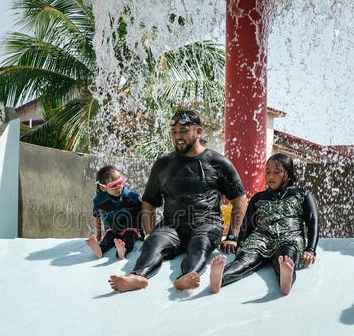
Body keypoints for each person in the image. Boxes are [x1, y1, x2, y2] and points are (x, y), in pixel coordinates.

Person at [109, 109, 247, 292]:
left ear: (198, 132)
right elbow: (149, 202)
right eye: (174, 132)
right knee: (154, 243)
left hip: (206, 224)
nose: (178, 137)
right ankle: (137, 276)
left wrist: (232, 236)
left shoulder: (218, 163)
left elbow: (240, 200)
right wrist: (150, 233)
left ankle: (187, 277)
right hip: (172, 225)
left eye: (183, 131)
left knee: (201, 243)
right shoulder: (163, 164)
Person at [209, 152, 319, 297]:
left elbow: (313, 221)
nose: (270, 176)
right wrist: (240, 244)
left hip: (289, 238)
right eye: (267, 172)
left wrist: (310, 249)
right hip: (261, 238)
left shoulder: (302, 194)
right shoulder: (258, 197)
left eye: (277, 172)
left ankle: (286, 279)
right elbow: (246, 225)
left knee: (286, 257)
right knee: (245, 260)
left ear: (288, 174)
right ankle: (220, 277)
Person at [86, 165, 143, 261]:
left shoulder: (131, 197)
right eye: (113, 185)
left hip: (131, 229)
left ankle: (122, 251)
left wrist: (146, 233)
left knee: (129, 236)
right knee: (108, 237)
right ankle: (100, 249)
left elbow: (145, 213)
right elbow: (96, 216)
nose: (119, 187)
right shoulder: (100, 201)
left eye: (120, 182)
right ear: (104, 188)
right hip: (113, 230)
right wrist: (99, 235)